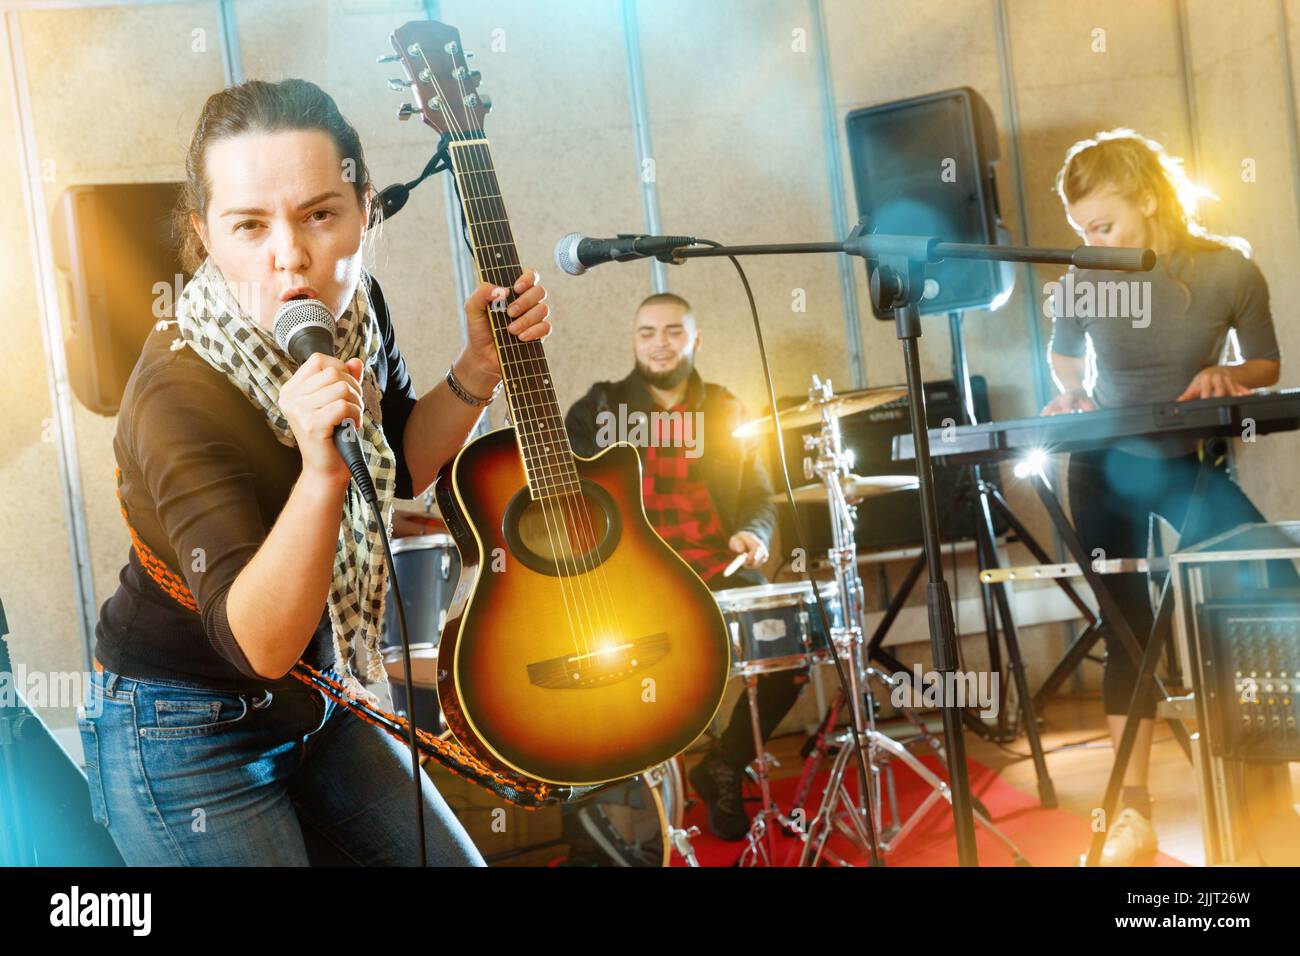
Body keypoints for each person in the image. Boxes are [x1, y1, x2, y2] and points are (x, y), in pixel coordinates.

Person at [77, 79, 553, 866]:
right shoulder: (177, 391)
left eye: (320, 214)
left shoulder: (358, 306)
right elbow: (257, 643)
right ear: (205, 234)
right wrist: (321, 466)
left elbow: (402, 458)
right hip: (185, 724)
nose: (290, 257)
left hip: (320, 702)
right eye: (249, 226)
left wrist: (478, 365)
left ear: (366, 209)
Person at [1045, 128, 1288, 865]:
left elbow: (1268, 364)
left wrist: (1231, 376)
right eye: (1081, 229)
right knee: (1128, 628)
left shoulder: (1229, 269)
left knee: (1271, 583)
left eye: (1103, 224)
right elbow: (1063, 355)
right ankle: (1132, 813)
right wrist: (1073, 389)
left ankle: (1267, 775)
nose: (1091, 240)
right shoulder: (1085, 277)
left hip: (1188, 463)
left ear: (1148, 200)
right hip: (1104, 466)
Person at [565, 292, 805, 842]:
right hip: (637, 575)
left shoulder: (725, 408)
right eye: (647, 332)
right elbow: (568, 502)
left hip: (716, 566)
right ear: (634, 341)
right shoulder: (599, 410)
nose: (660, 343)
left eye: (674, 331)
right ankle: (637, 808)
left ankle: (725, 761)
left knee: (790, 644)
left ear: (696, 340)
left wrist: (755, 533)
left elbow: (763, 498)